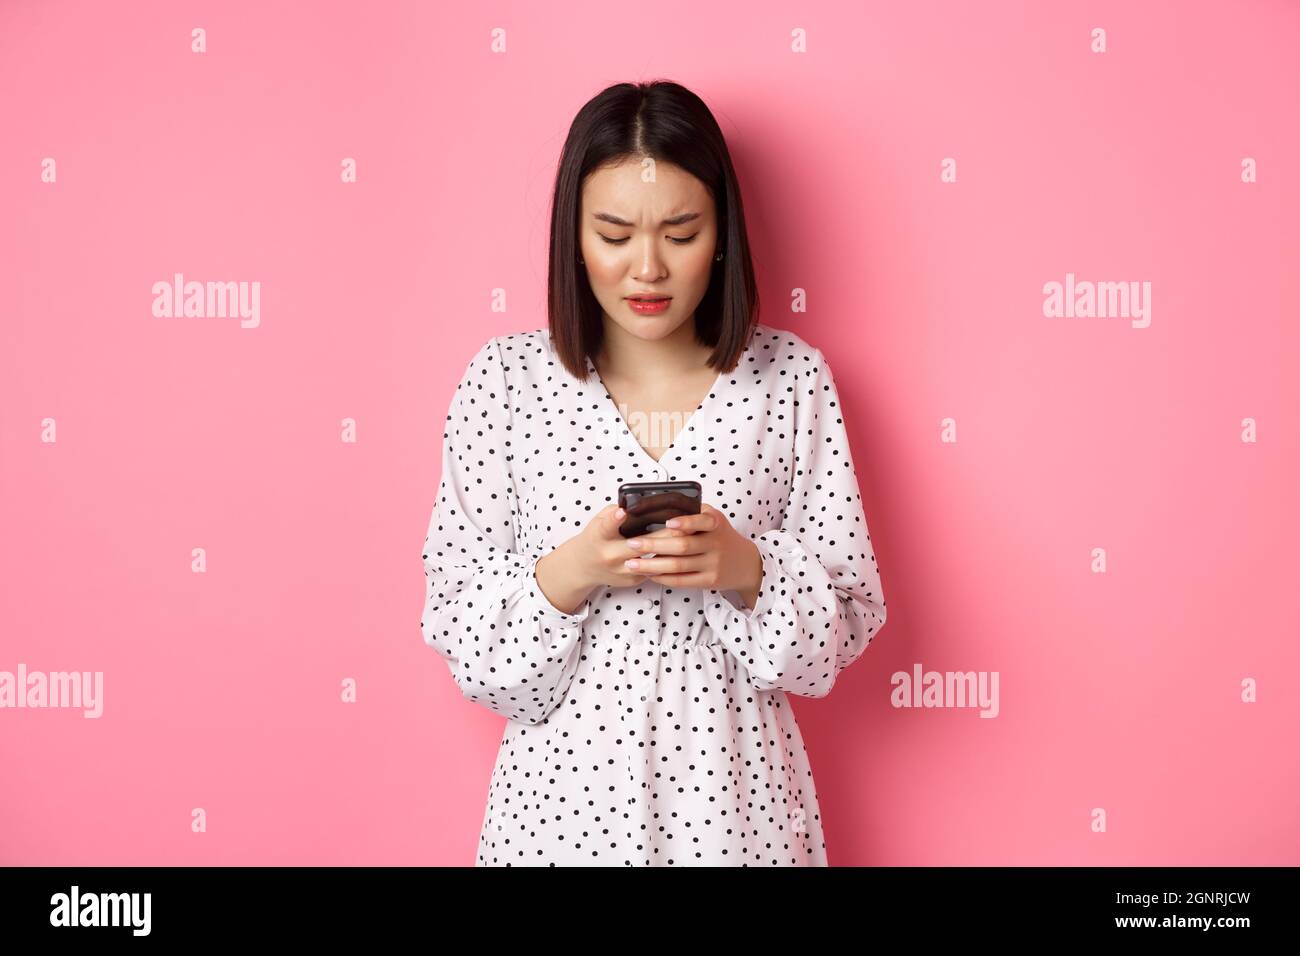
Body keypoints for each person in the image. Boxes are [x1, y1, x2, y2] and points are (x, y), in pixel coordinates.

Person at [420, 79, 887, 866]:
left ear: (723, 235)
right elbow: (462, 633)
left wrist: (749, 569)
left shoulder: (791, 381)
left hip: (738, 819)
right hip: (558, 822)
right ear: (573, 235)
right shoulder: (504, 383)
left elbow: (843, 628)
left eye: (679, 232)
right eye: (612, 233)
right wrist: (569, 572)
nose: (647, 268)